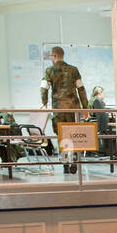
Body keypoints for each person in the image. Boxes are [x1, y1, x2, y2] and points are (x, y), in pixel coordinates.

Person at [40, 46, 88, 174]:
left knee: (62, 137)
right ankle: (75, 160)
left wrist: (44, 103)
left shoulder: (50, 70)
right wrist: (85, 107)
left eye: (51, 56)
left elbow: (44, 88)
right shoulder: (74, 70)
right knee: (75, 136)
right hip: (74, 109)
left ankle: (65, 164)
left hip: (59, 109)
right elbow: (81, 89)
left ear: (54, 56)